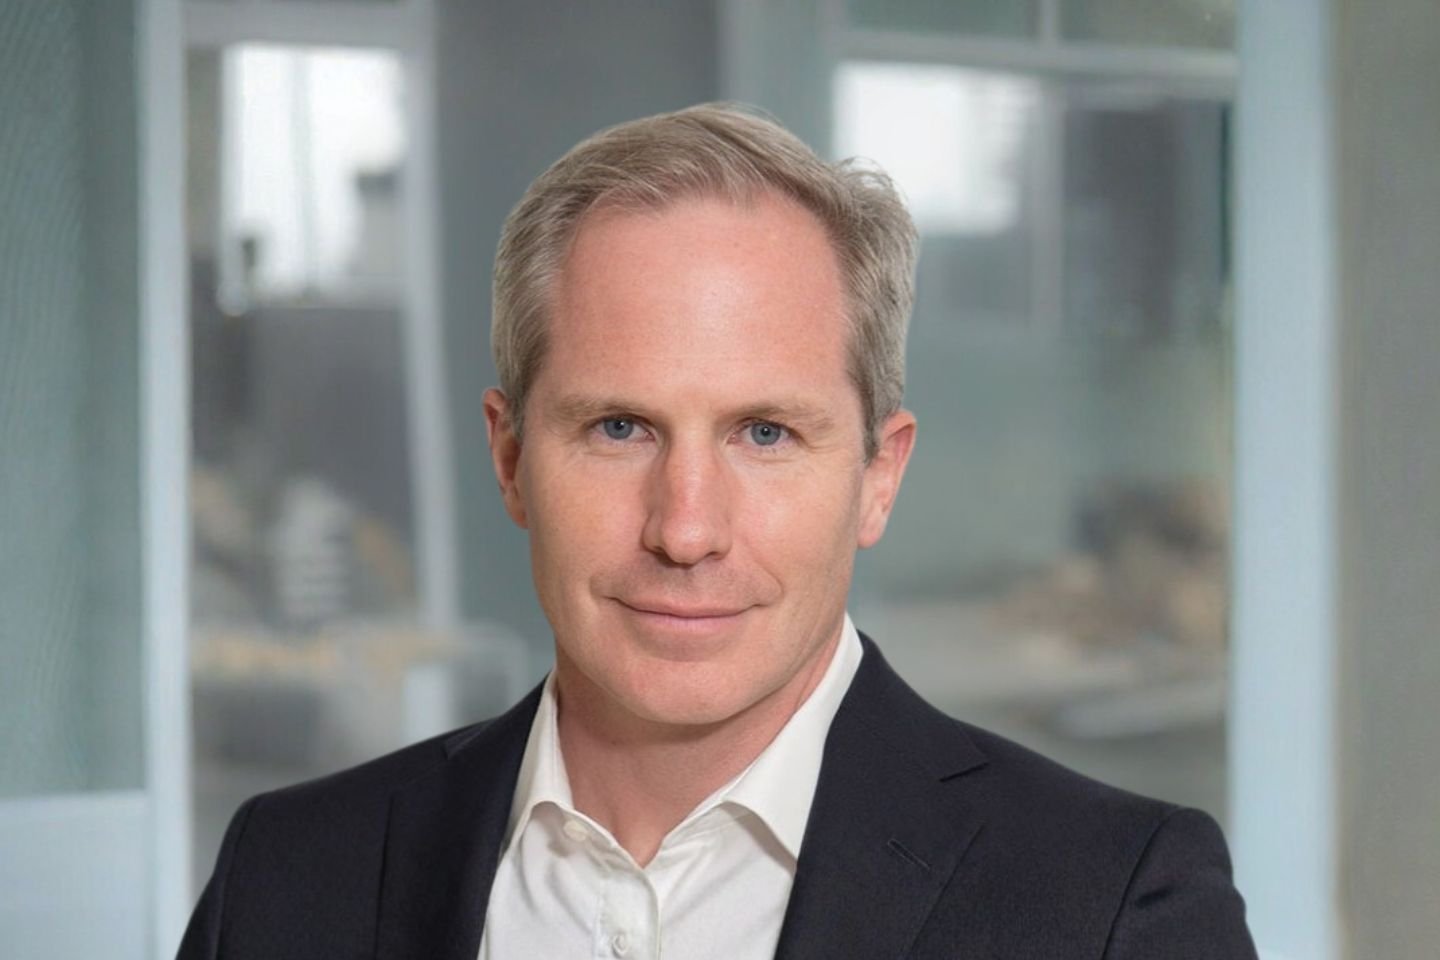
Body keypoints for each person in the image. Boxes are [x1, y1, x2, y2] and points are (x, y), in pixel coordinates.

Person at [178, 103, 1257, 959]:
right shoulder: (286, 879)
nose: (686, 530)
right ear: (509, 459)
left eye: (765, 433)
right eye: (618, 427)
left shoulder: (1112, 908)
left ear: (877, 477)